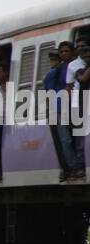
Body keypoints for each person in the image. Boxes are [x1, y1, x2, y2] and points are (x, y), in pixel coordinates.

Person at [44, 47, 78, 180]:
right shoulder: (53, 73)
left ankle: (70, 168)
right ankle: (71, 167)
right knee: (66, 140)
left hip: (64, 109)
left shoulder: (63, 70)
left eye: (54, 59)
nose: (53, 62)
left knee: (67, 140)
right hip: (59, 110)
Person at [64, 39, 89, 180]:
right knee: (80, 138)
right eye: (78, 47)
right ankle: (81, 167)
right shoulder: (74, 65)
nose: (81, 49)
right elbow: (69, 86)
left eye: (83, 46)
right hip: (79, 102)